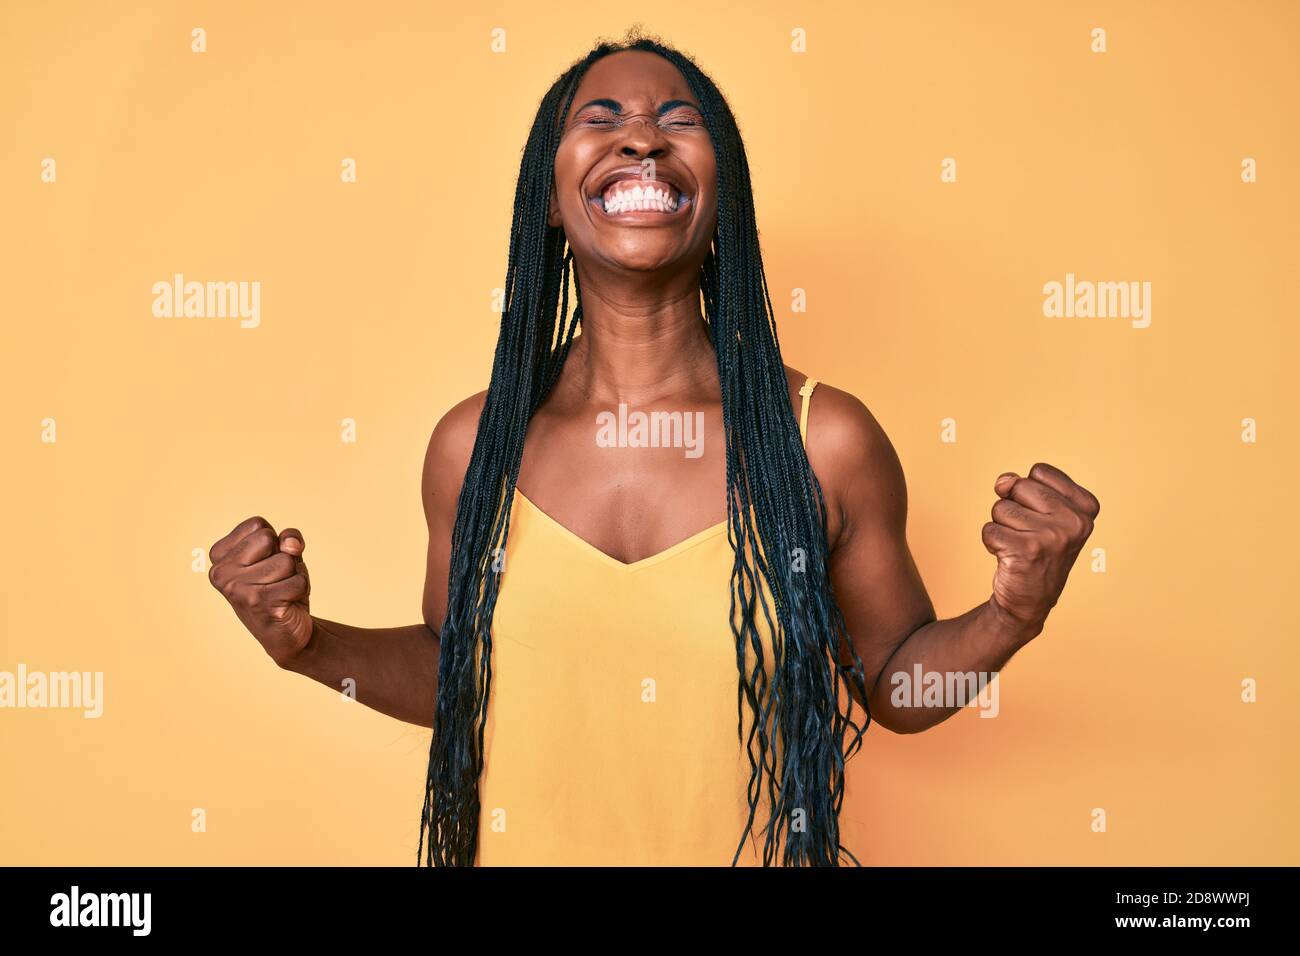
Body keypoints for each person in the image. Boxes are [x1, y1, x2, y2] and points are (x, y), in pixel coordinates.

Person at [207, 32, 1100, 867]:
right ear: (550, 203)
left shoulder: (823, 439)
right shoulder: (475, 447)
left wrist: (1012, 616)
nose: (642, 139)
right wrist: (308, 646)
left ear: (723, 195)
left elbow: (896, 691)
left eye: (680, 121)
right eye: (600, 120)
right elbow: (458, 675)